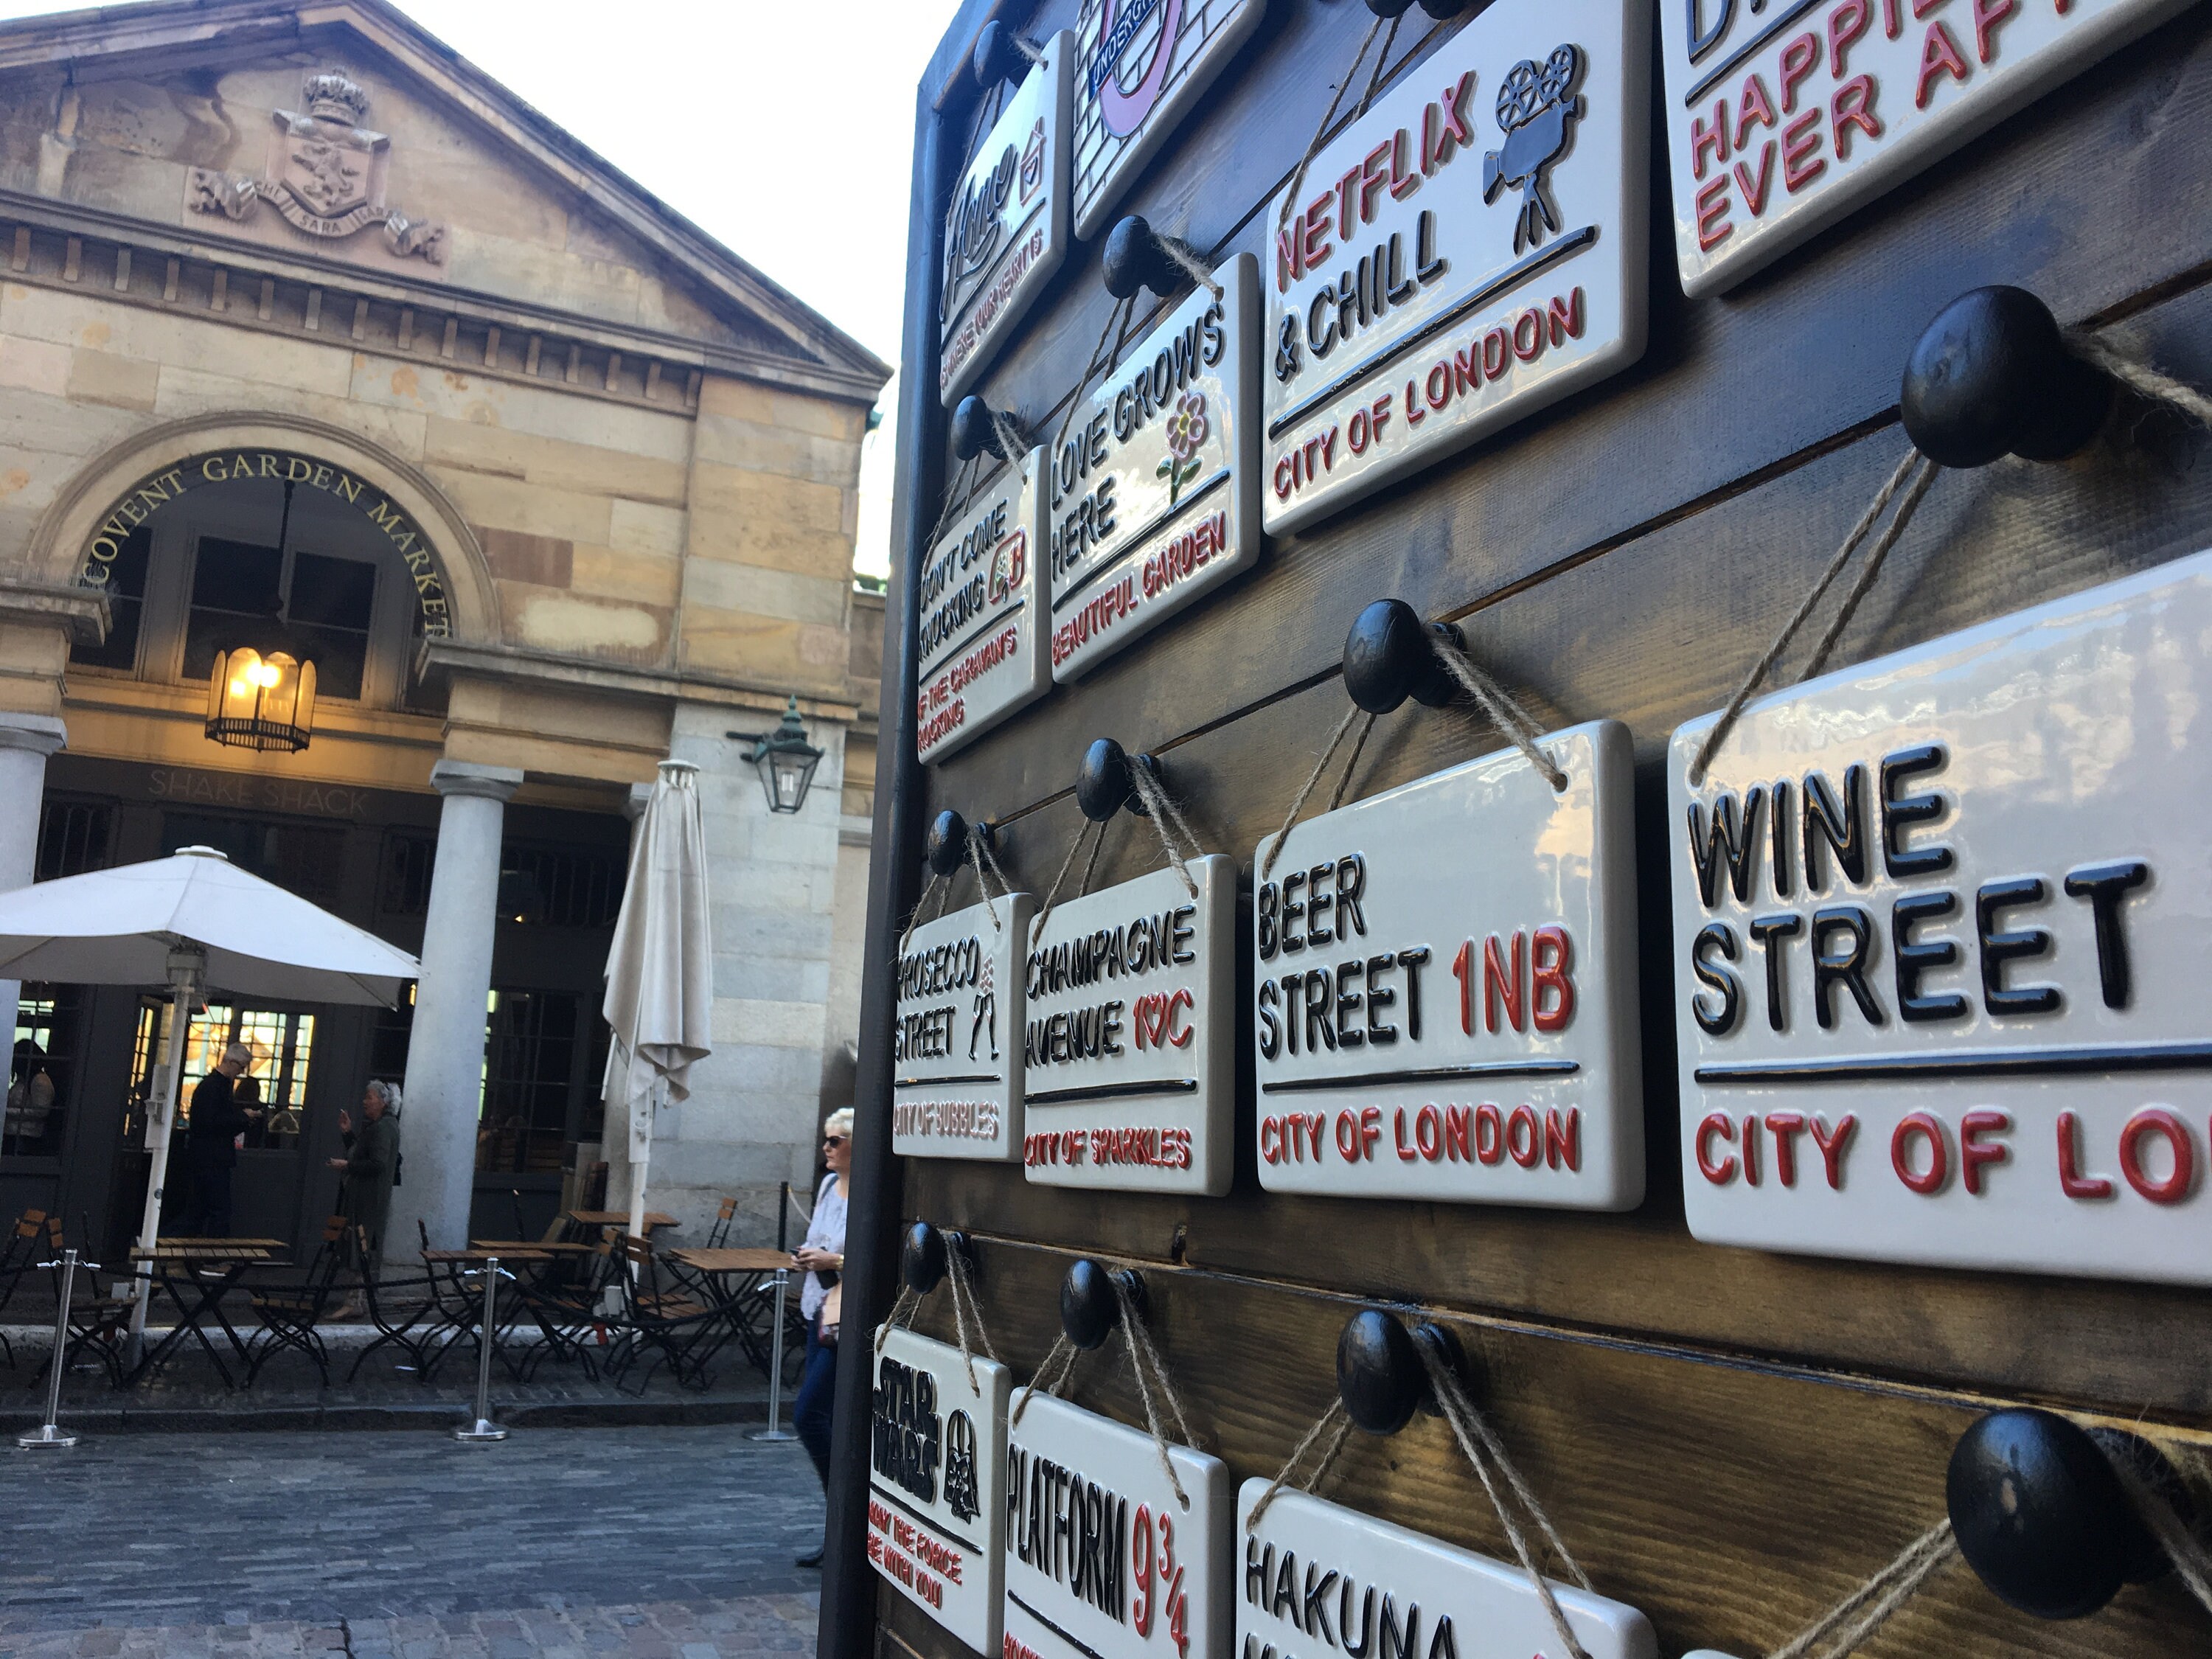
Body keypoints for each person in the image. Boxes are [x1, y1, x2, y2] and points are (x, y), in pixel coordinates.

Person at [791, 1107, 851, 1570]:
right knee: (827, 1417)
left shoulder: (869, 1191)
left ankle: (846, 1518)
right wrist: (809, 1257)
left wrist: (833, 1261)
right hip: (820, 1311)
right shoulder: (830, 1186)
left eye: (835, 1141)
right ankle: (840, 1526)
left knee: (808, 1415)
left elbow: (870, 1258)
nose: (826, 1148)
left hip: (847, 1318)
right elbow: (822, 1239)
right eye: (825, 1140)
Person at [329, 1079, 400, 1316]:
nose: (365, 1102)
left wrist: (347, 1165)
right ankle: (357, 1301)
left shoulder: (383, 1128)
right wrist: (348, 1134)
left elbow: (377, 1163)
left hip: (368, 1199)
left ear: (383, 1101)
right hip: (367, 1197)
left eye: (370, 1098)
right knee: (360, 1246)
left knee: (360, 1246)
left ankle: (353, 1302)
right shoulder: (382, 1126)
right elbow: (363, 1152)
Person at [178, 1043, 262, 1237]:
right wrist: (244, 1117)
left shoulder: (212, 1086)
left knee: (200, 1209)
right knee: (218, 1209)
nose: (241, 1072)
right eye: (241, 1067)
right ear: (231, 1062)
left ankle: (192, 1253)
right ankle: (212, 1258)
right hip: (212, 1158)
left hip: (205, 1156)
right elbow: (213, 1122)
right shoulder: (214, 1087)